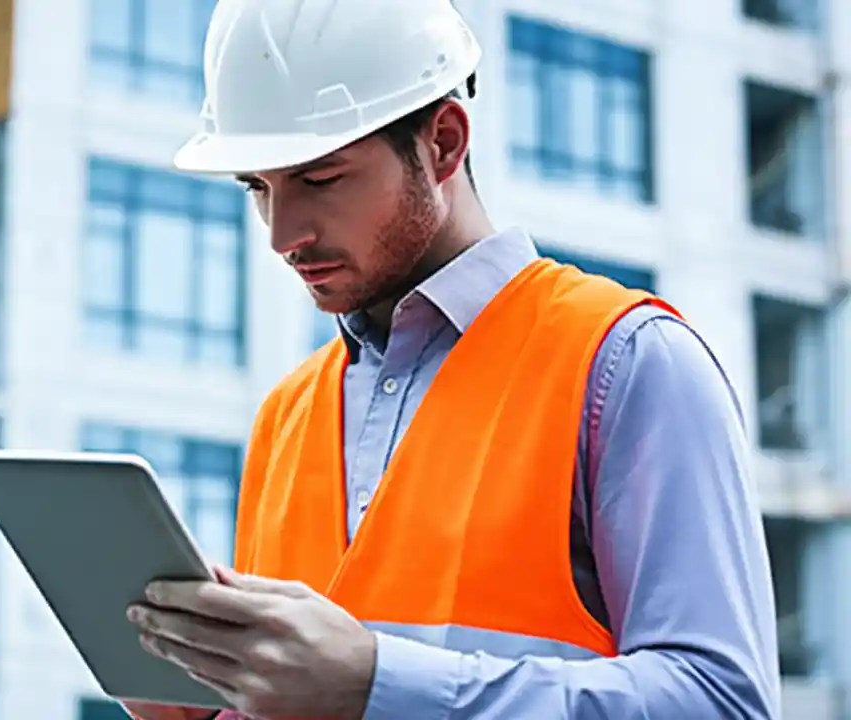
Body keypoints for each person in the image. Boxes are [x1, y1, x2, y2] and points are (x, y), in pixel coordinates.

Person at [123, 0, 781, 718]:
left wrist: (376, 686)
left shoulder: (626, 362)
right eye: (258, 188)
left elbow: (723, 703)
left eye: (318, 179)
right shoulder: (288, 413)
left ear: (443, 142)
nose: (283, 234)